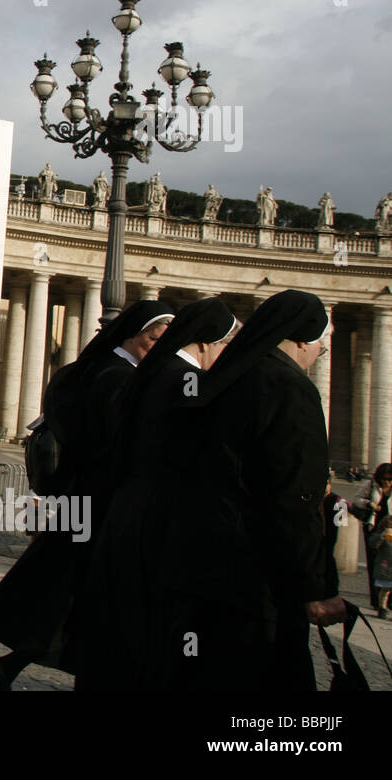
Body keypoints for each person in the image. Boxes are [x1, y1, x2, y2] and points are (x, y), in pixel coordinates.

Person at [143, 290, 346, 690]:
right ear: (303, 338)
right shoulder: (290, 388)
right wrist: (316, 586)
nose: (322, 351)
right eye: (324, 339)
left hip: (199, 570)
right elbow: (294, 498)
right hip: (257, 580)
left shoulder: (223, 379)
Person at [0, 299, 174, 691]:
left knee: (67, 594)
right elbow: (110, 447)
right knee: (74, 595)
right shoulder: (118, 378)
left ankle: (8, 667)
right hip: (97, 504)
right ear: (134, 337)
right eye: (154, 341)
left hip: (78, 500)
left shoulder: (91, 370)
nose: (158, 350)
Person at [75, 298, 239, 690]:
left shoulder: (150, 374)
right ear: (209, 342)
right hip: (158, 525)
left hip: (125, 516)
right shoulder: (185, 382)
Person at [350, 463, 392, 609]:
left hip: (390, 530)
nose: (386, 482)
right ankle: (376, 600)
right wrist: (369, 504)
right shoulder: (371, 485)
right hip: (373, 528)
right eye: (384, 479)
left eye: (389, 479)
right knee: (374, 564)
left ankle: (388, 600)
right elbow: (357, 499)